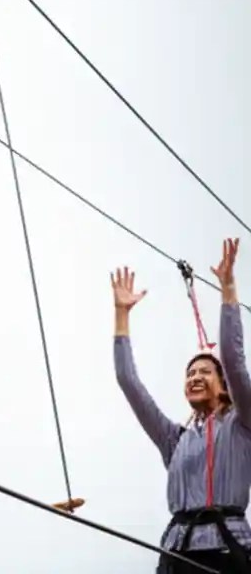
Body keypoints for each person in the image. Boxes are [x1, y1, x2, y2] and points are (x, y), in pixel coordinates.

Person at [114, 239, 251, 573]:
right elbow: (128, 382)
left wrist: (228, 291)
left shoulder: (242, 422)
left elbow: (234, 362)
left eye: (204, 371)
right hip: (177, 554)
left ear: (224, 387)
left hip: (227, 552)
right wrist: (122, 315)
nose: (195, 377)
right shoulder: (174, 440)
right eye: (190, 373)